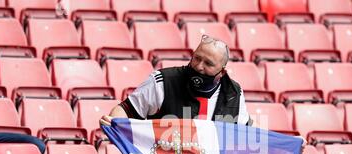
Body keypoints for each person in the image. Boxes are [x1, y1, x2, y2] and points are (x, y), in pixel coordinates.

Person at [100, 34, 251, 126]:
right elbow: (126, 110)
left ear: (222, 71)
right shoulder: (163, 81)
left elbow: (246, 131)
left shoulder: (233, 92)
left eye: (208, 63)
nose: (199, 66)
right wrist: (115, 122)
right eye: (197, 58)